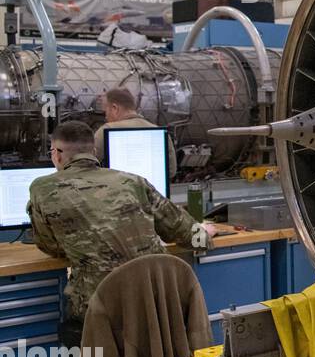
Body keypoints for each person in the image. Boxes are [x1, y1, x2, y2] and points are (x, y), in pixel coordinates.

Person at [27, 121, 214, 345]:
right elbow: (188, 234)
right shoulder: (133, 181)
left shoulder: (43, 188)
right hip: (152, 307)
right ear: (93, 152)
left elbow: (51, 246)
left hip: (98, 311)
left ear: (56, 154)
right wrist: (205, 232)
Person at [93, 86, 177, 178]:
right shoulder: (160, 132)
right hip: (151, 191)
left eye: (106, 112)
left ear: (114, 108)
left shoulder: (107, 129)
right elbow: (171, 171)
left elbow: (85, 166)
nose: (106, 117)